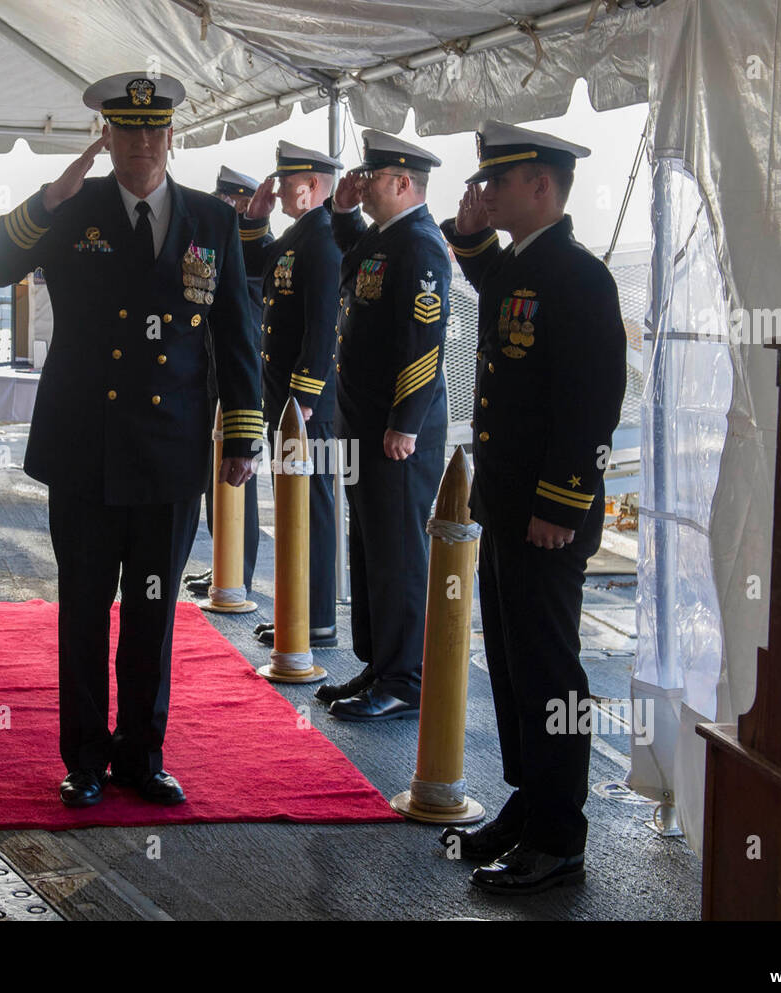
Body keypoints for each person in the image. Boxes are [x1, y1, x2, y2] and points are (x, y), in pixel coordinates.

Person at [0, 72, 262, 808]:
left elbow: (236, 332)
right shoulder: (75, 210)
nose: (139, 144)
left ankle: (142, 753)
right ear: (107, 137)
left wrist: (242, 435)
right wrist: (46, 199)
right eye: (124, 131)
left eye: (151, 130)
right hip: (85, 448)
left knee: (154, 612)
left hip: (170, 450)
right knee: (85, 606)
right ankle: (86, 759)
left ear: (169, 136)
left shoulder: (211, 221)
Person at [438, 123, 626, 896]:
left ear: (540, 186)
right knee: (515, 664)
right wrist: (470, 234)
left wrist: (560, 502)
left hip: (548, 512)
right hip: (510, 506)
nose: (483, 192)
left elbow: (592, 405)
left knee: (553, 674)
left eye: (497, 183)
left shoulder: (581, 277)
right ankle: (529, 796)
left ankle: (560, 834)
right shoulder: (529, 265)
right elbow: (500, 293)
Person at [321, 130, 451, 720]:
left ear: (403, 183)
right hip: (363, 424)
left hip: (397, 434)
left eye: (371, 176)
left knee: (398, 550)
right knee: (372, 546)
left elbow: (425, 342)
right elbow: (357, 273)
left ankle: (404, 679)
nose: (361, 182)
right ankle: (378, 663)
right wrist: (342, 212)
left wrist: (405, 423)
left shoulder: (422, 246)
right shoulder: (385, 238)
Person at [239, 142, 342, 649]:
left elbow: (324, 328)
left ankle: (316, 619)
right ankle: (295, 613)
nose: (276, 188)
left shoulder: (323, 243)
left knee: (313, 509)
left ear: (314, 187)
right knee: (291, 506)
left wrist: (302, 401)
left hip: (307, 409)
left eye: (286, 181)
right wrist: (255, 221)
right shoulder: (299, 238)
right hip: (286, 403)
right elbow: (255, 265)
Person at [185, 166, 263, 599]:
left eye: (232, 201)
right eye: (221, 197)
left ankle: (240, 573)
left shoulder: (249, 253)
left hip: (232, 386)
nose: (223, 206)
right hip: (209, 382)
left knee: (238, 491)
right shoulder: (209, 244)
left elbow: (241, 330)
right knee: (214, 491)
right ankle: (222, 565)